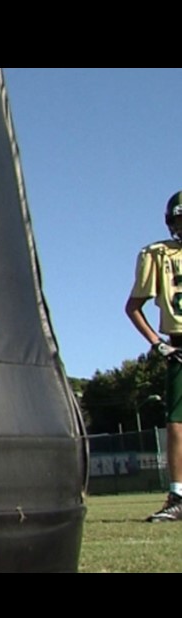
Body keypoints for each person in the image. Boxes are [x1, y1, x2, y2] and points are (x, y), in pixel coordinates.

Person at [126, 190, 182, 523]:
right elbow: (133, 306)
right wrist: (157, 343)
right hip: (179, 343)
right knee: (177, 424)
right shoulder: (156, 254)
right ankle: (179, 495)